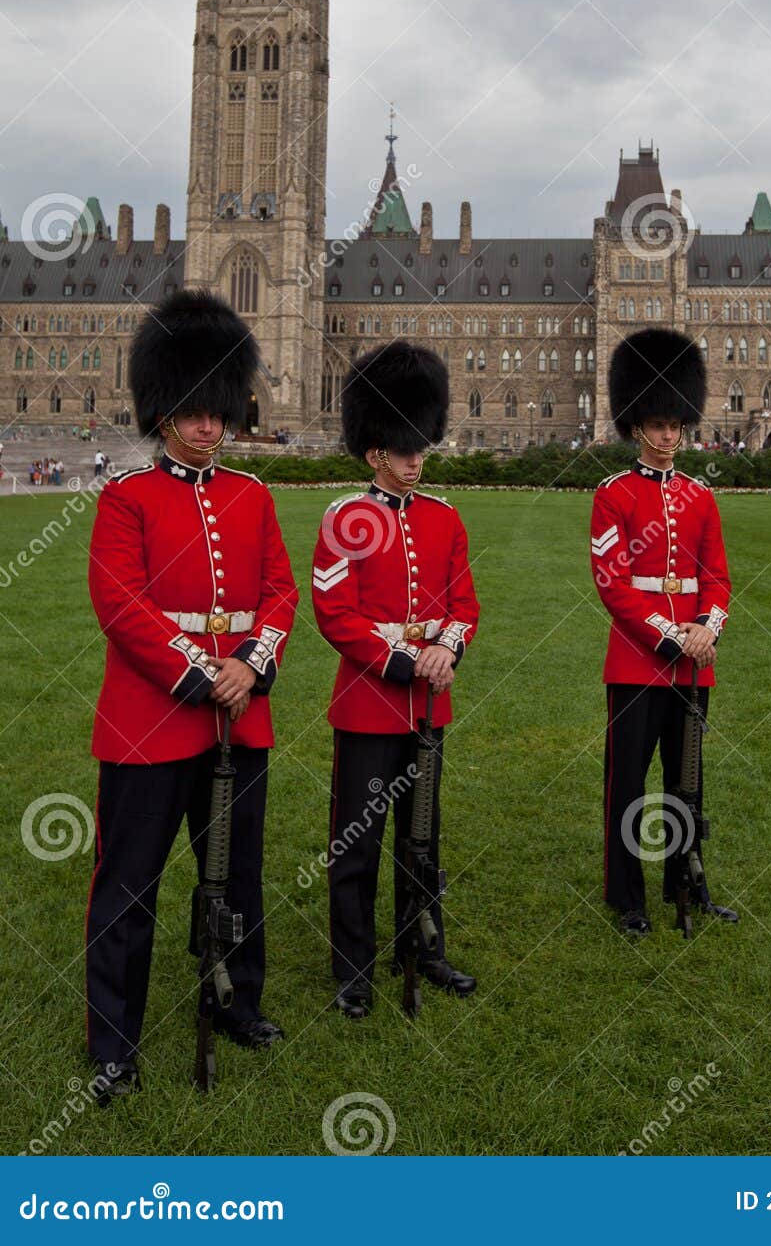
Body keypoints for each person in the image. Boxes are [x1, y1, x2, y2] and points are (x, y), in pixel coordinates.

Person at [84, 289, 298, 1103]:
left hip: (241, 722)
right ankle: (114, 1040)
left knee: (236, 875)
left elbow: (279, 593)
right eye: (191, 412)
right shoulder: (126, 499)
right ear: (162, 412)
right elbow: (121, 606)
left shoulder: (253, 496)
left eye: (218, 411)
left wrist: (251, 664)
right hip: (149, 727)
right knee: (128, 886)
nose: (207, 426)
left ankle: (238, 999)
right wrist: (200, 671)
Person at [311, 340, 480, 1019]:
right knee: (357, 843)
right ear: (374, 451)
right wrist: (408, 661)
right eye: (403, 446)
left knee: (422, 836)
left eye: (421, 444)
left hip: (427, 710)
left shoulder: (443, 517)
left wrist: (446, 649)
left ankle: (423, 944)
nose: (417, 456)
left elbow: (464, 604)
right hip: (367, 708)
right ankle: (352, 965)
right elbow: (335, 613)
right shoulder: (345, 519)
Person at [591, 327, 738, 938]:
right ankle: (626, 895)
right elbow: (613, 584)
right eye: (656, 425)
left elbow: (718, 579)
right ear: (635, 428)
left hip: (694, 662)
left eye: (675, 424)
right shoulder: (613, 495)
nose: (668, 436)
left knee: (688, 779)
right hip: (637, 661)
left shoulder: (701, 497)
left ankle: (686, 878)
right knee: (628, 783)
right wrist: (670, 634)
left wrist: (707, 627)